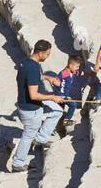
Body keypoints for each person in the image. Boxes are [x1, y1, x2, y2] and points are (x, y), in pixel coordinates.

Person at [11, 40, 66, 173]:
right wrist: (52, 97)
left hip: (30, 105)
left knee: (57, 110)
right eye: (47, 54)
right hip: (30, 109)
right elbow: (34, 95)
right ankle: (18, 163)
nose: (48, 56)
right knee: (28, 134)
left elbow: (34, 77)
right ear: (40, 53)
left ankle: (40, 139)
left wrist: (48, 78)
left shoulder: (28, 62)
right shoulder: (32, 67)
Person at [49, 53, 85, 136]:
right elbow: (57, 79)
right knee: (73, 105)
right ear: (70, 65)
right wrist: (56, 82)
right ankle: (66, 121)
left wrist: (82, 73)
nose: (77, 68)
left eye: (78, 67)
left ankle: (53, 128)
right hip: (61, 95)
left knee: (58, 112)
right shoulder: (64, 73)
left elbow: (77, 73)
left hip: (65, 95)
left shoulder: (72, 71)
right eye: (76, 66)